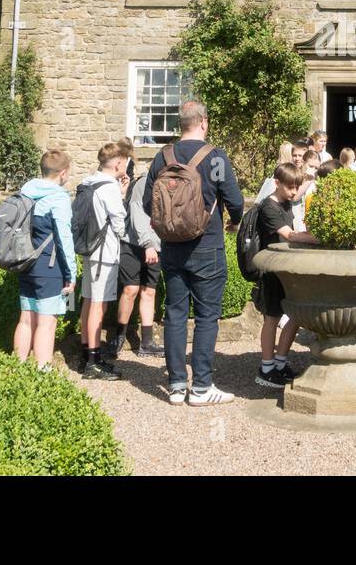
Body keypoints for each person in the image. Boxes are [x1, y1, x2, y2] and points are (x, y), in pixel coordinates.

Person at [142, 100, 245, 406]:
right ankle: (201, 386)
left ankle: (175, 385)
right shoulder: (214, 157)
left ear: (180, 123)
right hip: (207, 245)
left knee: (174, 315)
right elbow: (235, 200)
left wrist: (170, 226)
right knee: (206, 317)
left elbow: (149, 203)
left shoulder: (162, 158)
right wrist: (234, 221)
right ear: (203, 122)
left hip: (172, 248)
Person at [255, 162, 320, 387]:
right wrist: (318, 238)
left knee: (294, 316)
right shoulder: (269, 207)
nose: (294, 192)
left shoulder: (286, 204)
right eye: (290, 187)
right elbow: (289, 235)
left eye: (296, 187)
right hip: (272, 270)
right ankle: (266, 368)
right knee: (272, 319)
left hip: (288, 269)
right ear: (277, 184)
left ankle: (280, 363)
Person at [14, 150, 77, 369]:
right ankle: (42, 372)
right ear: (63, 173)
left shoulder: (25, 191)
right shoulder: (58, 198)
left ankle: (19, 368)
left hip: (25, 262)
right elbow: (64, 238)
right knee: (47, 322)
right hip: (49, 266)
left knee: (25, 318)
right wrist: (71, 273)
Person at [77, 142, 130, 380]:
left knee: (88, 300)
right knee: (99, 305)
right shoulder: (108, 187)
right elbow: (119, 223)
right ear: (118, 163)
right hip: (104, 253)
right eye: (125, 161)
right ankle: (94, 362)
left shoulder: (88, 182)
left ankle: (86, 352)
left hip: (89, 250)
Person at [109, 151, 164, 360]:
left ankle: (147, 342)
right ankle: (119, 337)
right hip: (133, 244)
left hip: (156, 245)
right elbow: (137, 214)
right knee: (130, 289)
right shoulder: (143, 184)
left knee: (148, 292)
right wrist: (148, 243)